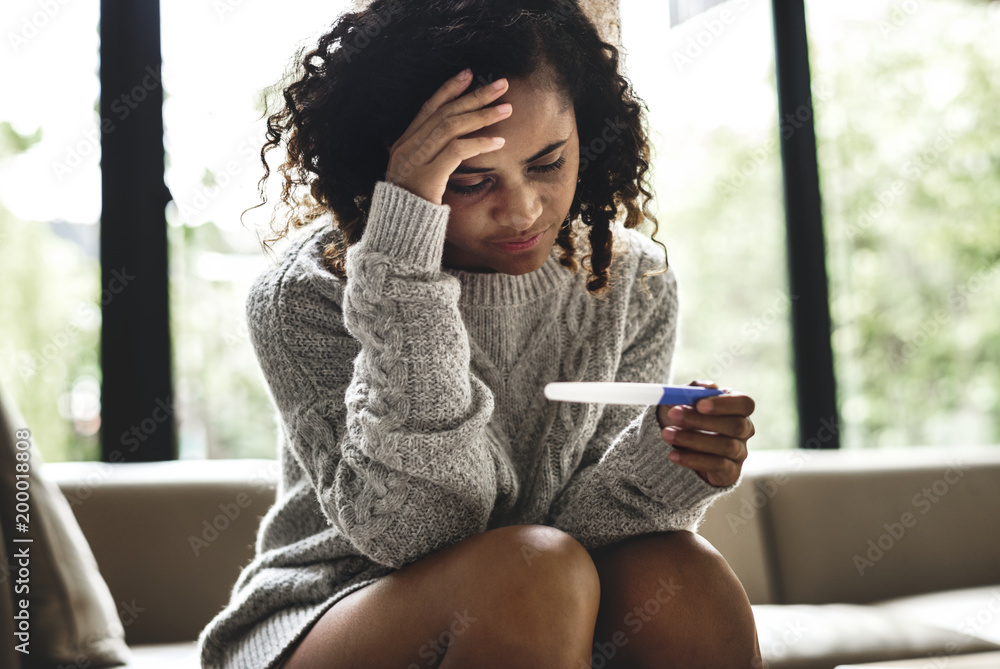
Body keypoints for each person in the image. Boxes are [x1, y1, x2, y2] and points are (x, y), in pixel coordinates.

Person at [197, 1, 761, 667]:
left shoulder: (629, 278)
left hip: (545, 588)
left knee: (680, 574)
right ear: (389, 168)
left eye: (548, 161)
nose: (522, 208)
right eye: (470, 178)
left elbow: (578, 536)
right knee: (531, 571)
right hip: (335, 602)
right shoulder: (308, 288)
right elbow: (414, 528)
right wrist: (402, 259)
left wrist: (666, 463)